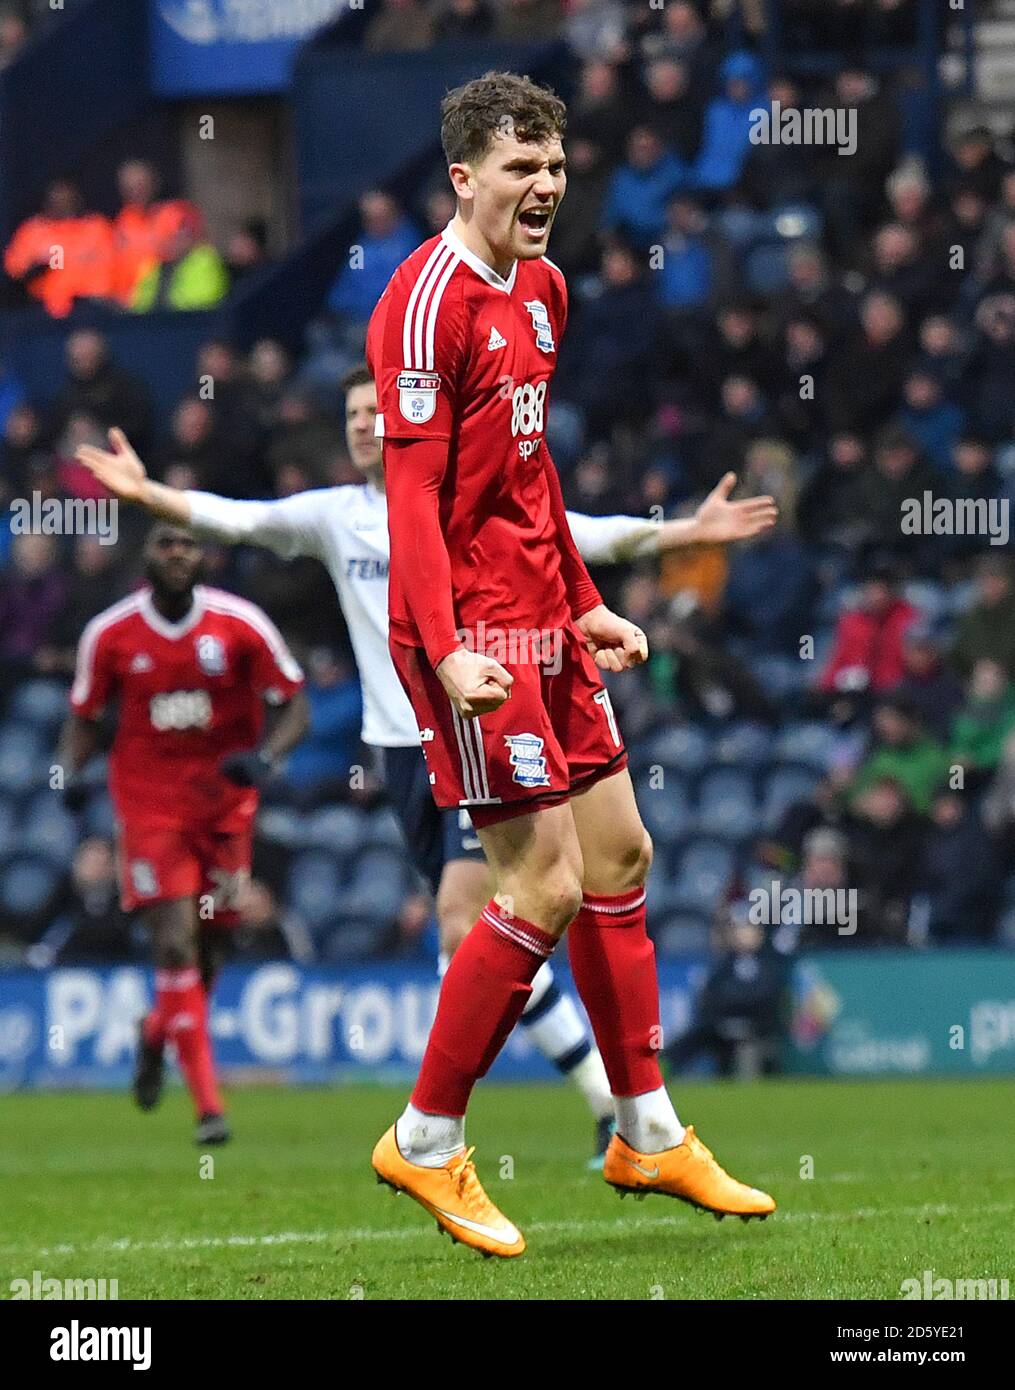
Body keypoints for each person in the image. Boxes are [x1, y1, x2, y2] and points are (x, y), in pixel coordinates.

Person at [78, 367, 776, 1169]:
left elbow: (572, 533)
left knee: (466, 923)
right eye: (350, 414)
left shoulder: (455, 504)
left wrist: (682, 534)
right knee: (476, 937)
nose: (364, 425)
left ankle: (550, 1117)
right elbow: (233, 521)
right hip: (397, 756)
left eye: (376, 409)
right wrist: (148, 494)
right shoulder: (333, 518)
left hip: (468, 728)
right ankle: (595, 1112)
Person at [365, 70, 775, 1255]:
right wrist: (445, 653)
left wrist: (585, 602)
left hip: (542, 613)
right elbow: (414, 496)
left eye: (554, 167)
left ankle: (645, 1128)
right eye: (520, 169)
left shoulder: (543, 289)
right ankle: (427, 1140)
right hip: (469, 633)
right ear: (463, 178)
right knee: (539, 880)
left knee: (620, 852)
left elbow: (529, 472)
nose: (545, 187)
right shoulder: (421, 304)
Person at [57, 524, 309, 1145]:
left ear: (205, 557)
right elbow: (83, 717)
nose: (175, 554)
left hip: (223, 811)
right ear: (144, 555)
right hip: (148, 810)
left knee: (209, 956)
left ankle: (153, 1034)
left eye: (186, 545)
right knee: (174, 945)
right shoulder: (109, 634)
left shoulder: (241, 624)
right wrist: (67, 771)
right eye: (163, 543)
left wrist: (267, 758)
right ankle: (208, 1110)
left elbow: (293, 704)